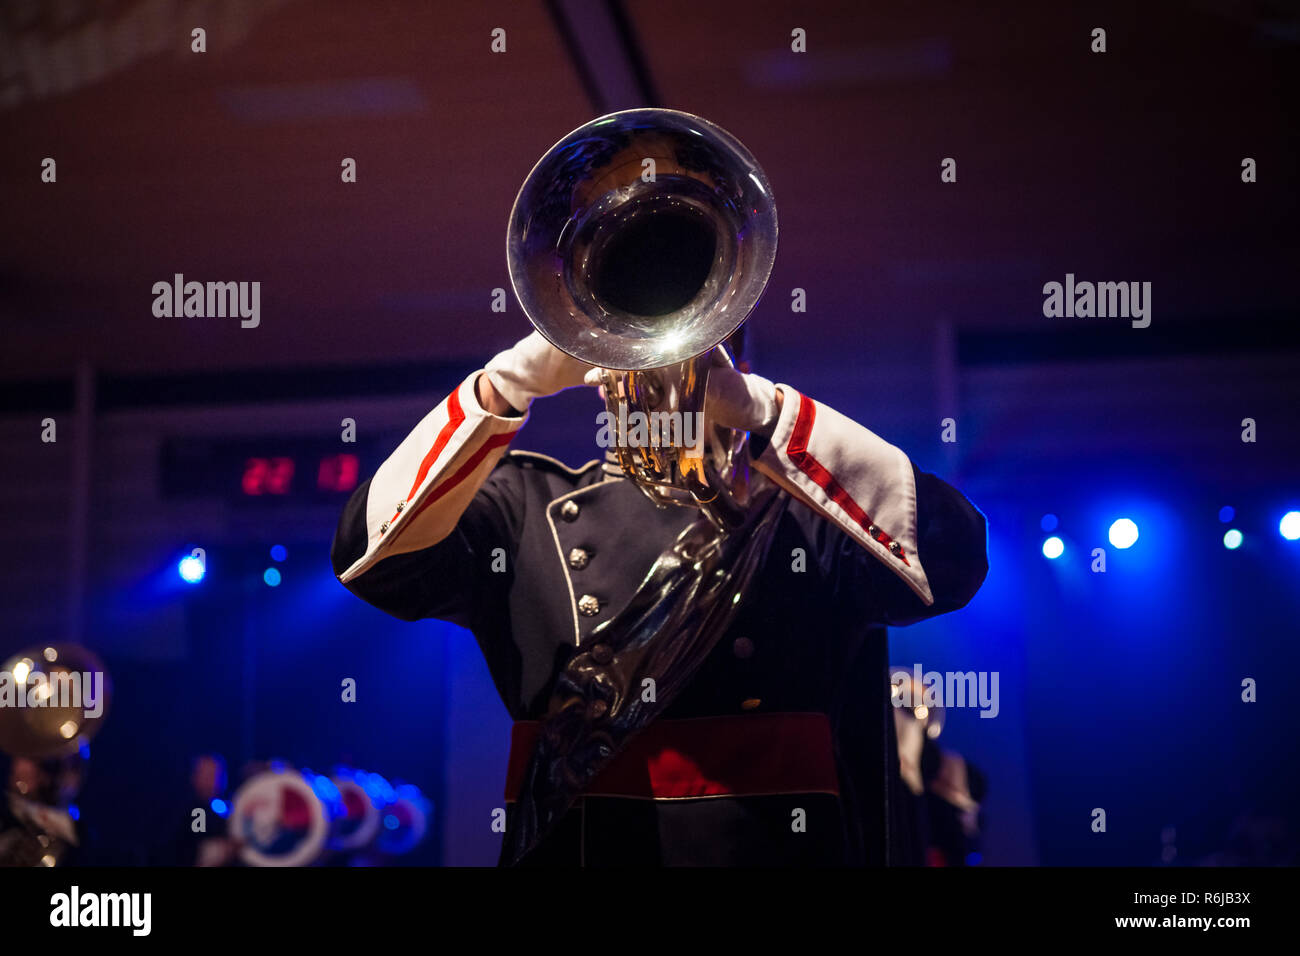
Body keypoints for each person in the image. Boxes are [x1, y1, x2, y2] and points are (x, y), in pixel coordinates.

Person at [332, 329, 988, 866]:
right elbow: (369, 552)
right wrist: (505, 384)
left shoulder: (808, 520)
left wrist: (771, 414)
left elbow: (951, 556)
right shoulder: (524, 506)